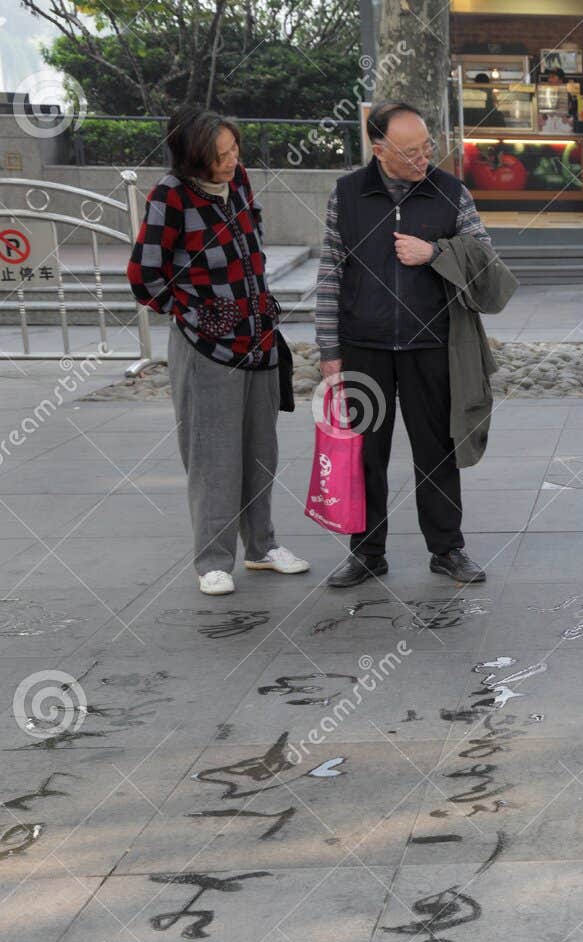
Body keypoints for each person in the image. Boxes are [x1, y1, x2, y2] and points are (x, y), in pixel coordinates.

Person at [314, 100, 497, 588]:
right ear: (379, 150)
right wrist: (328, 350)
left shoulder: (450, 191)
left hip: (431, 343)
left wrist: (434, 252)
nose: (423, 158)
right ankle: (367, 551)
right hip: (364, 346)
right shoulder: (348, 194)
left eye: (427, 148)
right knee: (366, 454)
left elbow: (484, 255)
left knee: (436, 450)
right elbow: (331, 271)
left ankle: (447, 549)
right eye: (411, 151)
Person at [128, 108, 309, 596]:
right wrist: (195, 313)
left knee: (260, 448)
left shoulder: (240, 181)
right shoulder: (171, 193)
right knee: (213, 454)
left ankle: (262, 547)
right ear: (193, 159)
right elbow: (145, 276)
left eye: (234, 151)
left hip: (259, 336)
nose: (231, 161)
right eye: (220, 156)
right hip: (206, 344)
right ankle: (212, 558)